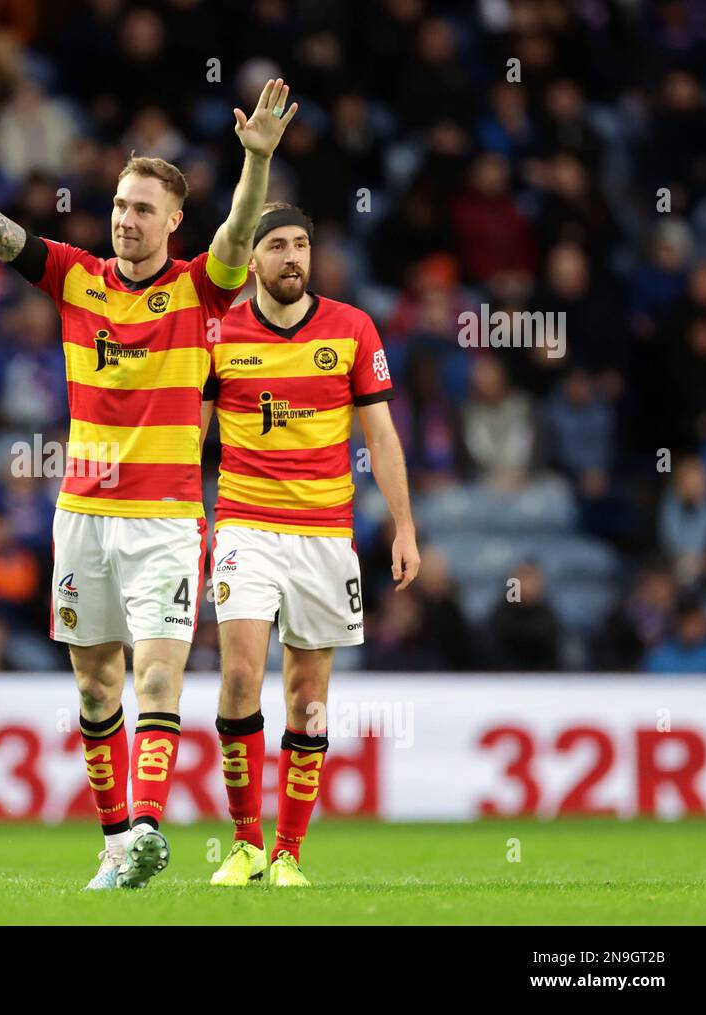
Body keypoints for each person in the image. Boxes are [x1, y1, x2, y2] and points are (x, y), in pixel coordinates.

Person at [0, 66, 297, 889]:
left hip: (168, 520)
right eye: (117, 206)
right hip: (81, 516)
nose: (125, 220)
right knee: (96, 683)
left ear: (174, 221)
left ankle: (146, 822)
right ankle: (116, 848)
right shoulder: (76, 276)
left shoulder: (199, 288)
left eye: (142, 209)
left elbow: (240, 238)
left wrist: (256, 162)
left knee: (155, 674)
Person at [202, 203, 420, 887]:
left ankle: (289, 851)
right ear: (254, 258)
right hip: (245, 523)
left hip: (326, 532)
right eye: (278, 246)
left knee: (308, 697)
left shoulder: (352, 328)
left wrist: (405, 525)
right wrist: (184, 519)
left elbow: (380, 436)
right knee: (239, 675)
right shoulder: (221, 332)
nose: (293, 257)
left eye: (302, 244)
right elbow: (189, 435)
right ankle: (243, 841)